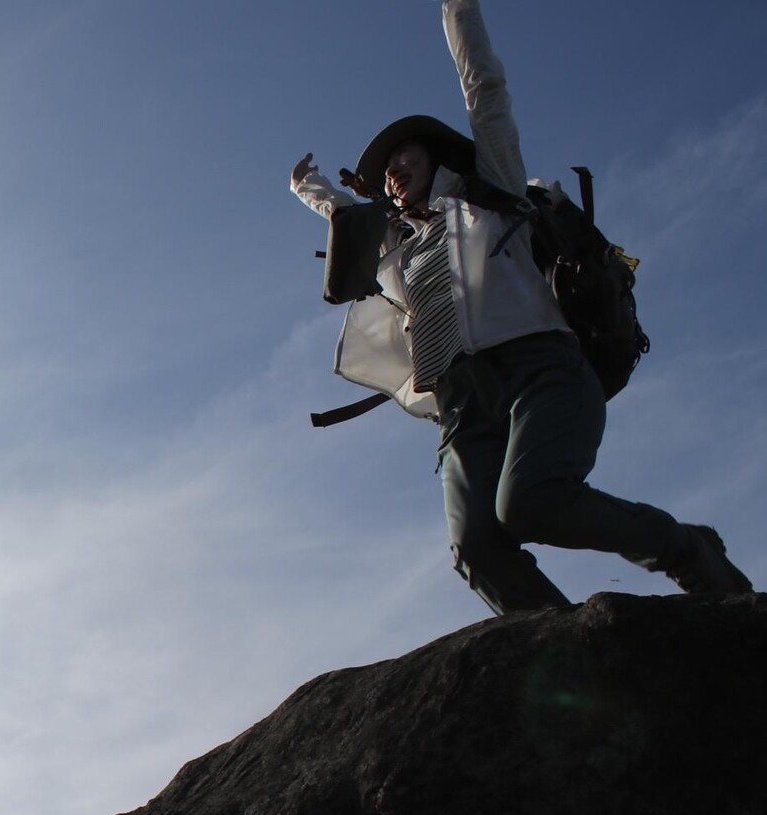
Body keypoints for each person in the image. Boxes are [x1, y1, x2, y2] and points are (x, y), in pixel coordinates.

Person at [288, 0, 753, 615]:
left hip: (538, 367)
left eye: (403, 154)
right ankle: (568, 657)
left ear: (435, 153)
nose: (392, 171)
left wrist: (457, 9)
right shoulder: (397, 250)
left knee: (533, 503)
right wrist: (311, 192)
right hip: (459, 401)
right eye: (384, 171)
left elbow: (485, 88)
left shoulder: (492, 187)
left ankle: (685, 548)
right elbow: (352, 221)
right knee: (477, 546)